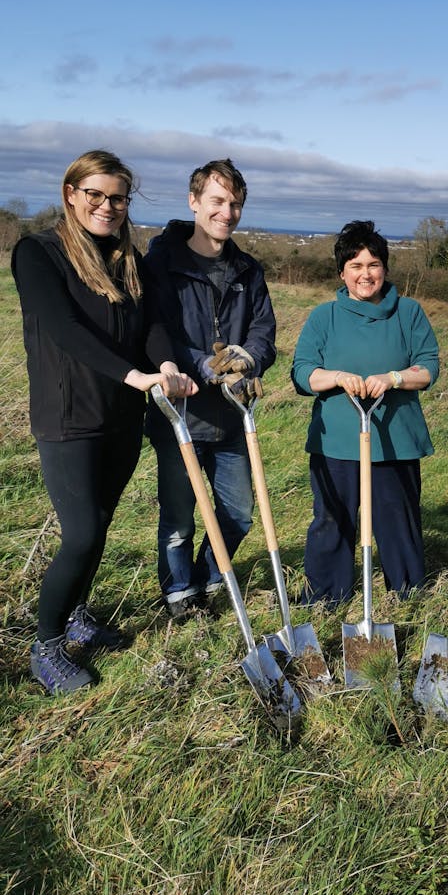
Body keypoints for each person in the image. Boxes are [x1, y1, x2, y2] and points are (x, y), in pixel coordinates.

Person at [11, 149, 197, 695]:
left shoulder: (126, 259)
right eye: (95, 194)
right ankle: (45, 648)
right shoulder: (38, 253)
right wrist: (132, 374)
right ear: (71, 194)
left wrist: (162, 362)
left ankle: (77, 616)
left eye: (117, 197)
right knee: (82, 531)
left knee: (100, 527)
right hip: (70, 416)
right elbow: (65, 328)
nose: (107, 206)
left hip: (122, 416)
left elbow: (153, 323)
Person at [144, 159, 276, 619]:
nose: (228, 211)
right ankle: (180, 590)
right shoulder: (161, 263)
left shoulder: (247, 269)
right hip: (179, 413)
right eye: (218, 201)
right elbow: (154, 329)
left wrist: (247, 358)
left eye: (235, 203)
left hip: (232, 416)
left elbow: (263, 328)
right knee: (179, 518)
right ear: (194, 201)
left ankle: (211, 574)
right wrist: (201, 363)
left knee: (239, 512)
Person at [291, 220, 439, 604]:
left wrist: (392, 378)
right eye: (355, 266)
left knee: (398, 519)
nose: (365, 273)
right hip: (337, 441)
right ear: (342, 273)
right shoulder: (325, 317)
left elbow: (428, 368)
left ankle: (405, 594)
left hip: (395, 442)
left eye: (373, 264)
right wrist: (337, 376)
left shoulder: (409, 312)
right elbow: (303, 372)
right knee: (333, 519)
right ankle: (326, 595)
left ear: (385, 269)